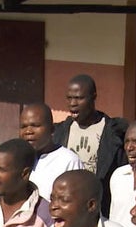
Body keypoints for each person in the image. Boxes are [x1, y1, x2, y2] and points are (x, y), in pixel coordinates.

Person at [53, 74, 128, 214]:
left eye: (79, 98)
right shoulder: (59, 132)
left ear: (94, 97)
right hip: (65, 207)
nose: (72, 103)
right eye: (69, 98)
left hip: (99, 208)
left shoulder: (114, 133)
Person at [20, 103, 83, 200]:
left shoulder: (68, 160)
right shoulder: (17, 159)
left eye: (35, 125)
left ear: (52, 129)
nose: (28, 131)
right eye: (23, 126)